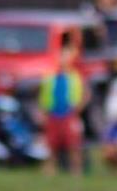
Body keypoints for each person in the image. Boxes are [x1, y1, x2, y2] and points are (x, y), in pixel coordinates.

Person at [37, 39, 87, 176]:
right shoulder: (50, 75)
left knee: (73, 145)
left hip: (69, 114)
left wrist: (77, 109)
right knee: (51, 145)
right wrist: (43, 111)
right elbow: (43, 94)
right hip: (53, 113)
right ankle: (49, 170)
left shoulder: (75, 76)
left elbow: (85, 94)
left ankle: (76, 171)